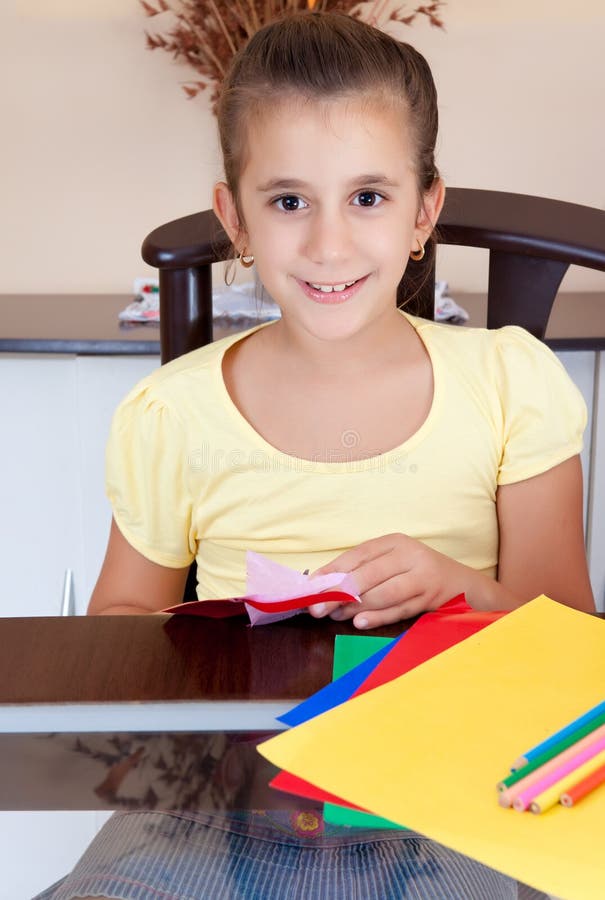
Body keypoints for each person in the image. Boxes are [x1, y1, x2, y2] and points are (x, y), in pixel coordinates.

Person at [37, 10, 595, 900]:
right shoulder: (173, 411)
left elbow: (571, 642)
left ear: (424, 212)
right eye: (289, 200)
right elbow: (117, 632)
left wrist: (463, 588)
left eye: (367, 197)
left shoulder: (506, 382)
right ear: (237, 219)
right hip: (214, 795)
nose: (329, 244)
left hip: (445, 791)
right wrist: (214, 640)